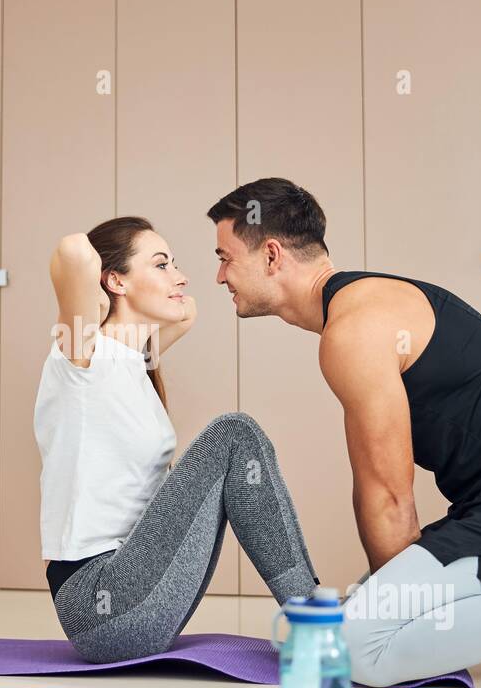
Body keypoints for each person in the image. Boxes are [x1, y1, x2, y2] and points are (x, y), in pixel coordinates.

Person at [205, 177, 481, 688]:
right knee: (311, 634)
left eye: (225, 256)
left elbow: (389, 497)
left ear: (272, 255)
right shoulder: (365, 302)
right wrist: (391, 601)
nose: (219, 276)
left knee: (352, 651)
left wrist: (390, 611)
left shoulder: (354, 330)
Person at [37, 216, 321, 664]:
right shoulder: (79, 355)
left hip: (139, 591)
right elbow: (74, 250)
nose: (182, 276)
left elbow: (188, 312)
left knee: (236, 435)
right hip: (98, 601)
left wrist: (148, 290)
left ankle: (310, 608)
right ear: (114, 280)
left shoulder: (134, 362)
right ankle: (312, 616)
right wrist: (95, 301)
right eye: (162, 264)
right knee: (233, 433)